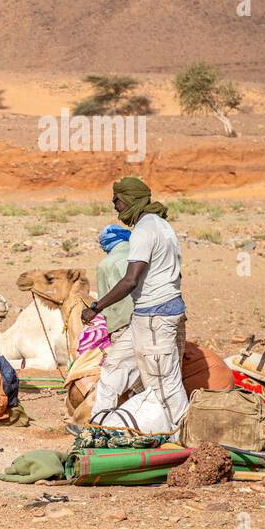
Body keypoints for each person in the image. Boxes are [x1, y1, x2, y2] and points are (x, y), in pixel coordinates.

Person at [82, 178, 188, 430]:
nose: (114, 205)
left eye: (116, 199)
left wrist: (96, 307)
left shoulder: (144, 229)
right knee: (114, 366)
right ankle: (100, 426)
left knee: (165, 385)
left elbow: (130, 280)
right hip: (145, 316)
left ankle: (184, 435)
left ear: (128, 200)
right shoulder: (162, 225)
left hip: (155, 317)